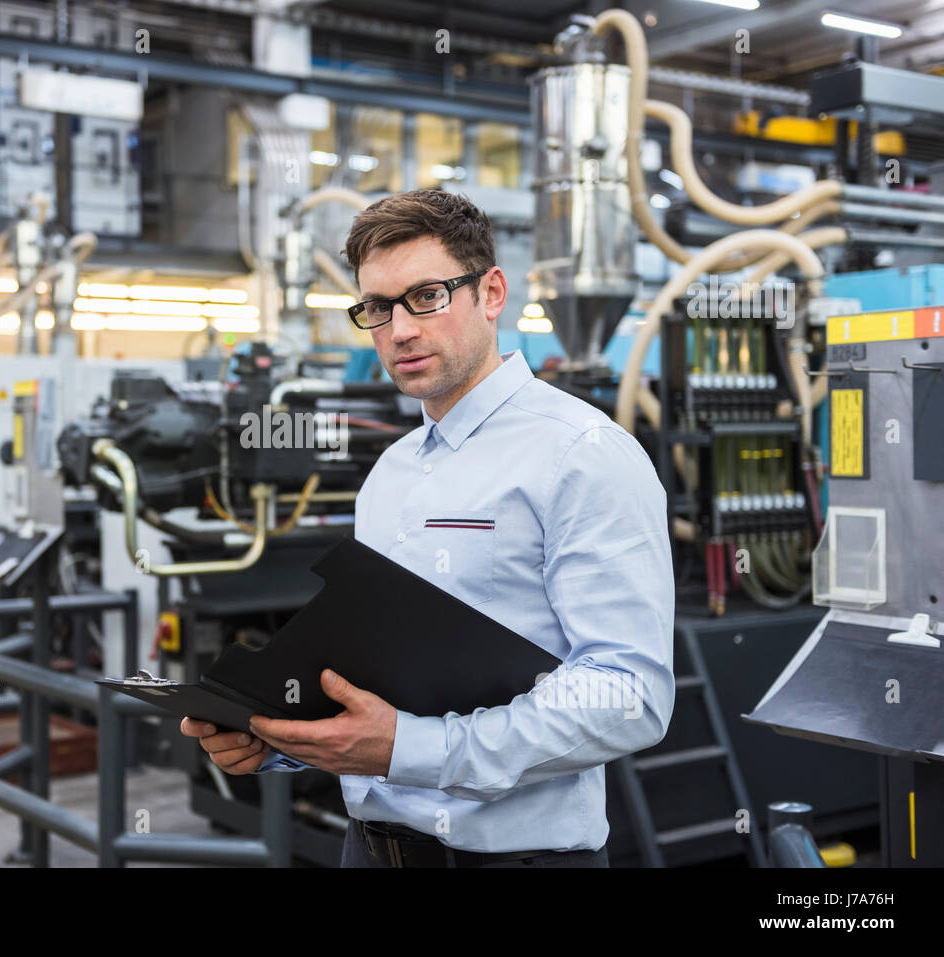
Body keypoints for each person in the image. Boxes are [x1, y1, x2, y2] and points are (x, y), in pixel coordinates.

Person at [182, 188, 674, 867]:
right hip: (371, 850)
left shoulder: (581, 453)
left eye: (427, 296)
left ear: (492, 292)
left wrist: (412, 750)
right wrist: (280, 739)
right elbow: (379, 679)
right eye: (377, 308)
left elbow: (629, 693)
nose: (400, 329)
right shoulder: (390, 472)